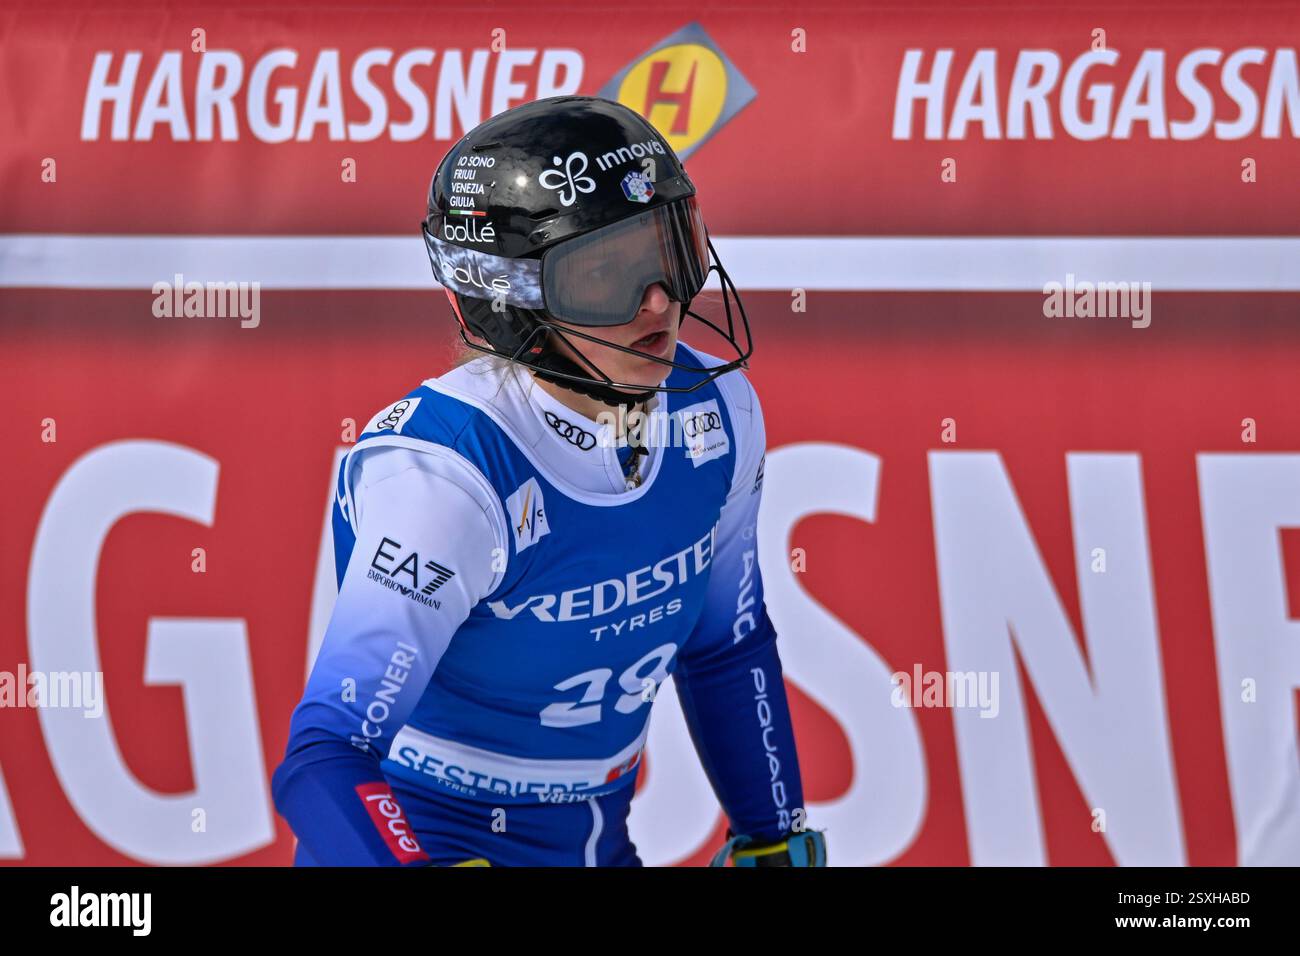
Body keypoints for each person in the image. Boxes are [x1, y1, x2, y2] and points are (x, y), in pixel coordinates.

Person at [271, 95, 825, 867]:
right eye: (605, 274)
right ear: (510, 301)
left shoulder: (717, 408)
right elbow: (326, 755)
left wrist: (776, 839)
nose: (659, 301)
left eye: (668, 250)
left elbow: (725, 646)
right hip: (427, 838)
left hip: (598, 837)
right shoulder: (452, 477)